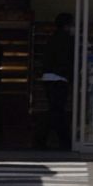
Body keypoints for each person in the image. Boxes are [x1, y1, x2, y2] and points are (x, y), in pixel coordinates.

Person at [35, 14, 74, 150]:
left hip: (48, 77)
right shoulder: (67, 40)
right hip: (59, 78)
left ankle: (44, 139)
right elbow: (68, 61)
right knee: (57, 110)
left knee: (55, 109)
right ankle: (60, 140)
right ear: (67, 25)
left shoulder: (52, 38)